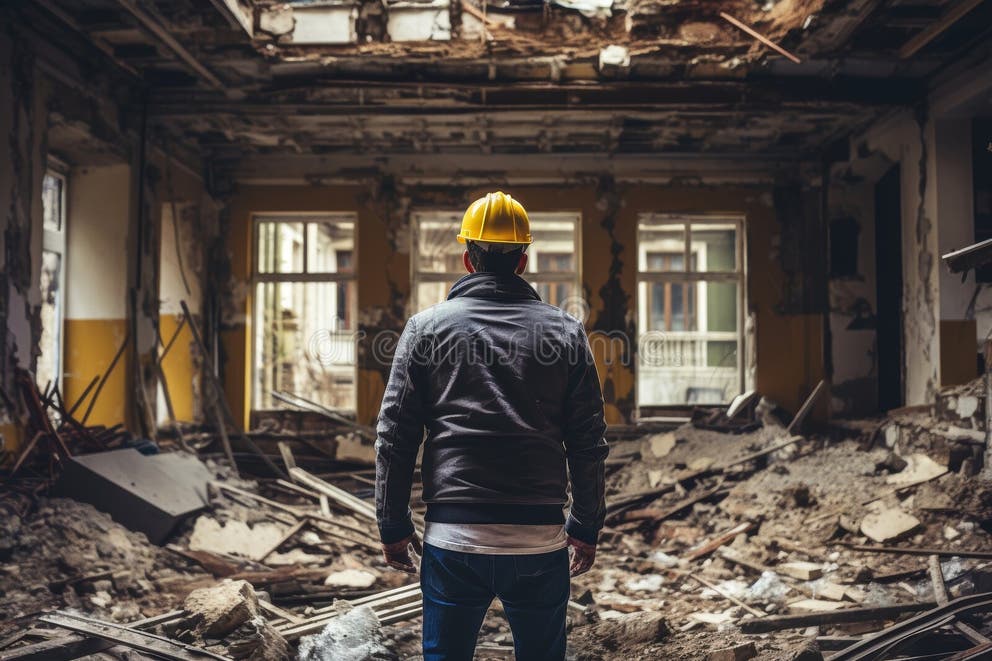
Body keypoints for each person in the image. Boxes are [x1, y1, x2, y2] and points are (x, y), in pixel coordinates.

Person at [374, 191, 609, 661]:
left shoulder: (426, 329)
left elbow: (395, 436)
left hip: (453, 541)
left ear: (468, 258)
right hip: (539, 542)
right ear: (523, 261)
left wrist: (392, 523)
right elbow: (588, 440)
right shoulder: (565, 332)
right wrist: (585, 524)